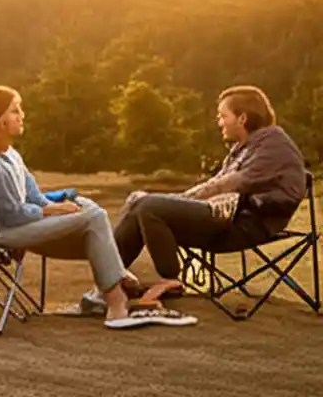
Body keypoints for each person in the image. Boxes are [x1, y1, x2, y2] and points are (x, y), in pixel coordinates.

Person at [0, 85, 196, 329]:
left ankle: (104, 291)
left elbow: (34, 196)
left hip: (16, 224)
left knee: (85, 206)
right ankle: (116, 303)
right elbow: (12, 216)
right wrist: (49, 211)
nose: (22, 115)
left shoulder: (11, 155)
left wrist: (57, 206)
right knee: (94, 218)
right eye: (15, 110)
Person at [104, 85, 308, 307]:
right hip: (225, 216)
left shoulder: (274, 145)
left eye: (223, 116)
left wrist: (178, 201)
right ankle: (109, 279)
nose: (219, 122)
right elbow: (217, 185)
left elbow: (227, 185)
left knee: (148, 206)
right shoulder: (243, 148)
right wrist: (177, 202)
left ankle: (170, 281)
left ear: (242, 118)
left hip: (245, 223)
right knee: (138, 202)